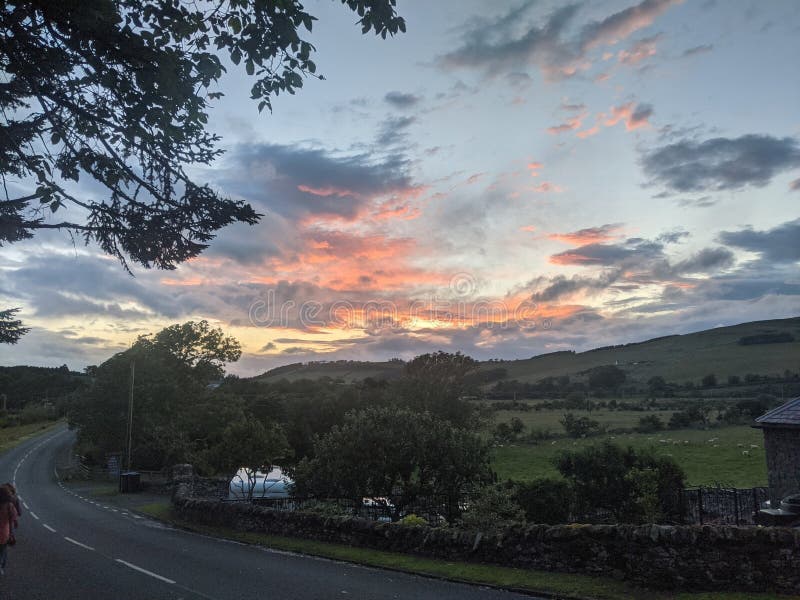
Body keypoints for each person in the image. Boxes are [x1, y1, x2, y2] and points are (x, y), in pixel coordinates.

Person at [0, 486, 19, 576]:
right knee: (3, 551)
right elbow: (15, 517)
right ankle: (1, 566)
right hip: (4, 534)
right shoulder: (9, 505)